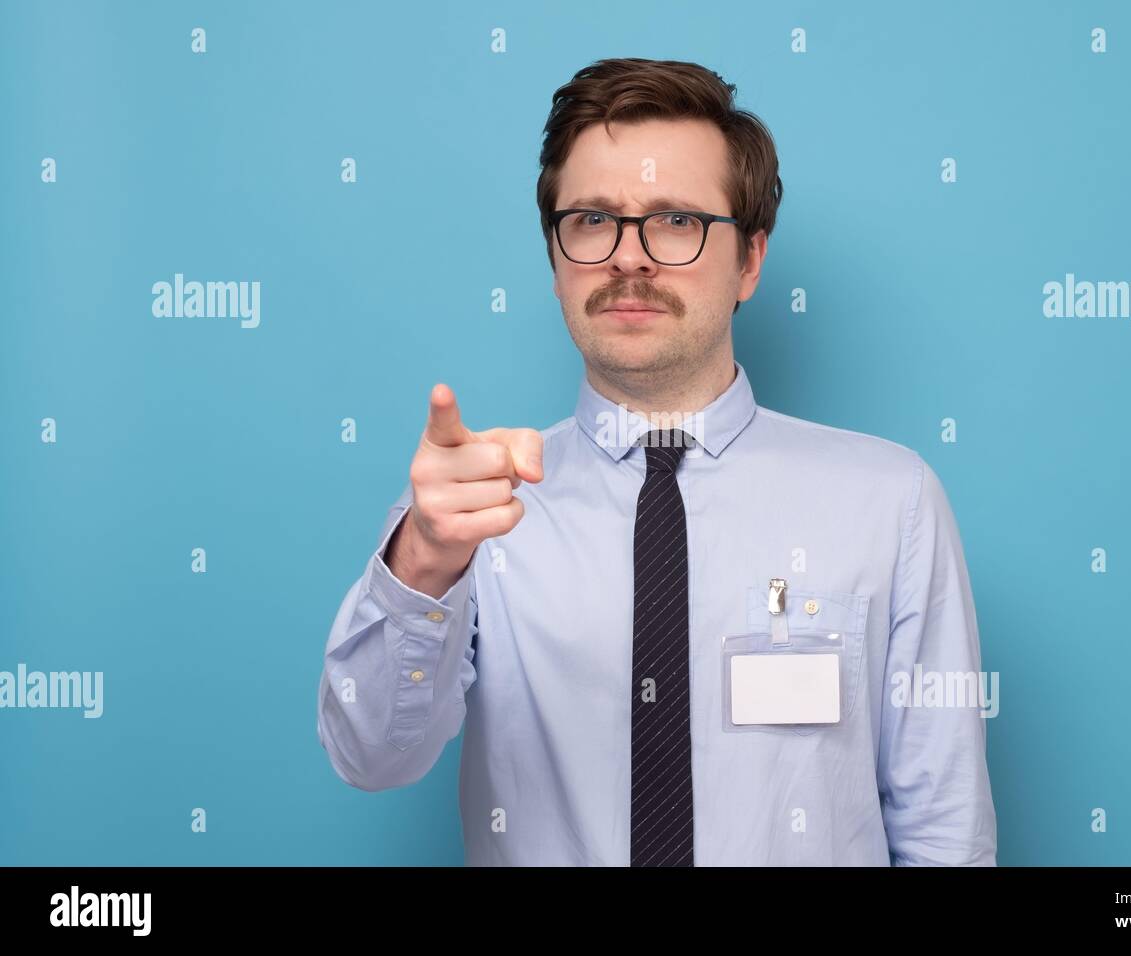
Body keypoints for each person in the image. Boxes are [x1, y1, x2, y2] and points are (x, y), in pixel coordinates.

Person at [317, 57, 996, 866]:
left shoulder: (893, 503)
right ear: (556, 258)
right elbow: (370, 756)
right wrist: (422, 564)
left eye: (676, 220)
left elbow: (942, 834)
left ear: (749, 259)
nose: (629, 257)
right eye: (593, 220)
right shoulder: (469, 512)